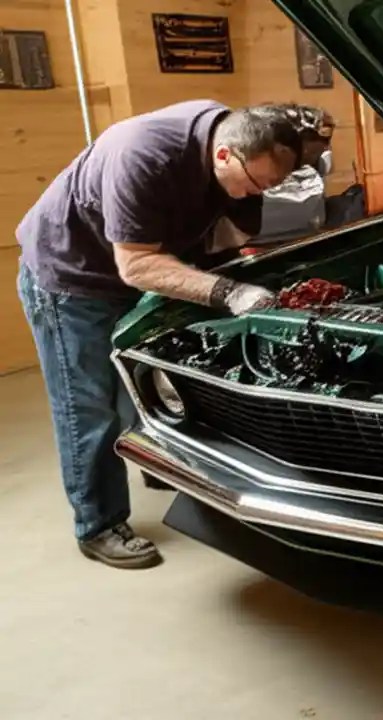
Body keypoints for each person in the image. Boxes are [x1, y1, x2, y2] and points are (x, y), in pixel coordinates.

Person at [15, 100, 333, 570]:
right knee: (88, 406)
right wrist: (228, 292)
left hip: (141, 265)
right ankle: (97, 524)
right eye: (255, 184)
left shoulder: (241, 140)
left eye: (270, 186)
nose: (255, 195)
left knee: (144, 380)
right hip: (73, 279)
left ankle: (161, 465)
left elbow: (229, 230)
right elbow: (137, 264)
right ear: (224, 156)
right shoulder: (141, 156)